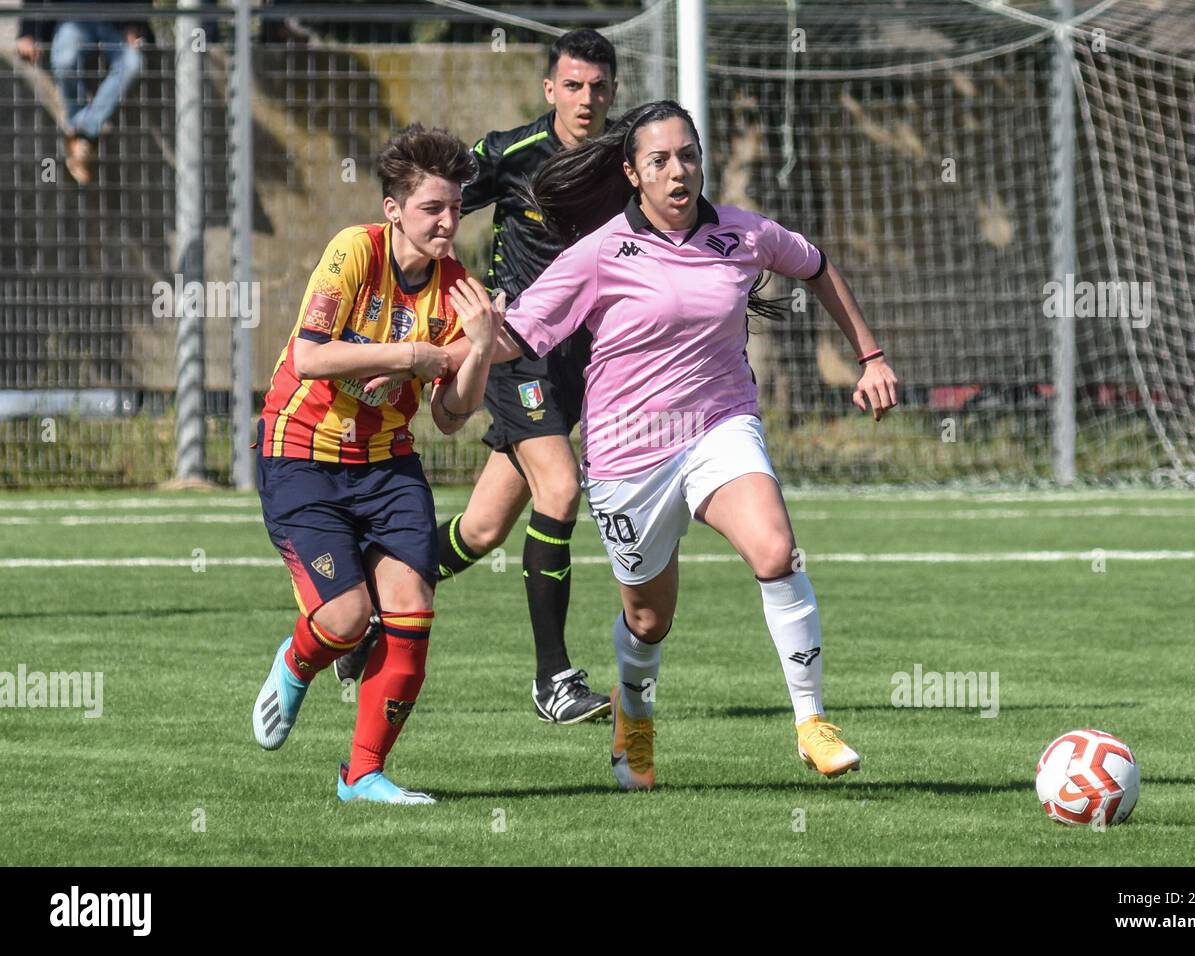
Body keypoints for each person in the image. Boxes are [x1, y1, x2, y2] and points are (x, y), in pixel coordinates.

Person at [469, 100, 900, 790]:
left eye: (689, 156)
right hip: (626, 455)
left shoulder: (742, 233)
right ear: (632, 173)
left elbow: (815, 266)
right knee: (647, 618)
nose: (679, 172)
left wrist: (871, 356)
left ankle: (813, 722)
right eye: (661, 160)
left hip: (719, 427)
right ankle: (634, 720)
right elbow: (519, 335)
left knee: (774, 550)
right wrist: (447, 349)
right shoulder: (601, 251)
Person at [334, 29, 619, 726]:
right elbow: (429, 204)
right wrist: (411, 317)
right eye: (572, 85)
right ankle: (553, 680)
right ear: (550, 89)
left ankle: (369, 605)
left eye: (599, 87)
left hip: (578, 365)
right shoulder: (514, 155)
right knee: (561, 485)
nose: (586, 99)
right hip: (512, 353)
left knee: (485, 527)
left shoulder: (624, 164)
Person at [252, 123, 503, 805]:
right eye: (432, 209)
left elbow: (451, 416)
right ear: (394, 209)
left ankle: (362, 775)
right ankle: (299, 659)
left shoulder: (456, 289)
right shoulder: (353, 252)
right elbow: (310, 357)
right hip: (301, 453)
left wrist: (477, 349)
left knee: (413, 610)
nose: (448, 221)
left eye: (455, 207)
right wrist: (407, 357)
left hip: (388, 463)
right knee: (344, 621)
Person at [17, 0, 152, 185]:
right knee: (65, 60)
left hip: (114, 19)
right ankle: (85, 135)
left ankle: (83, 133)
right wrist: (28, 31)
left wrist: (135, 25)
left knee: (132, 63)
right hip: (71, 15)